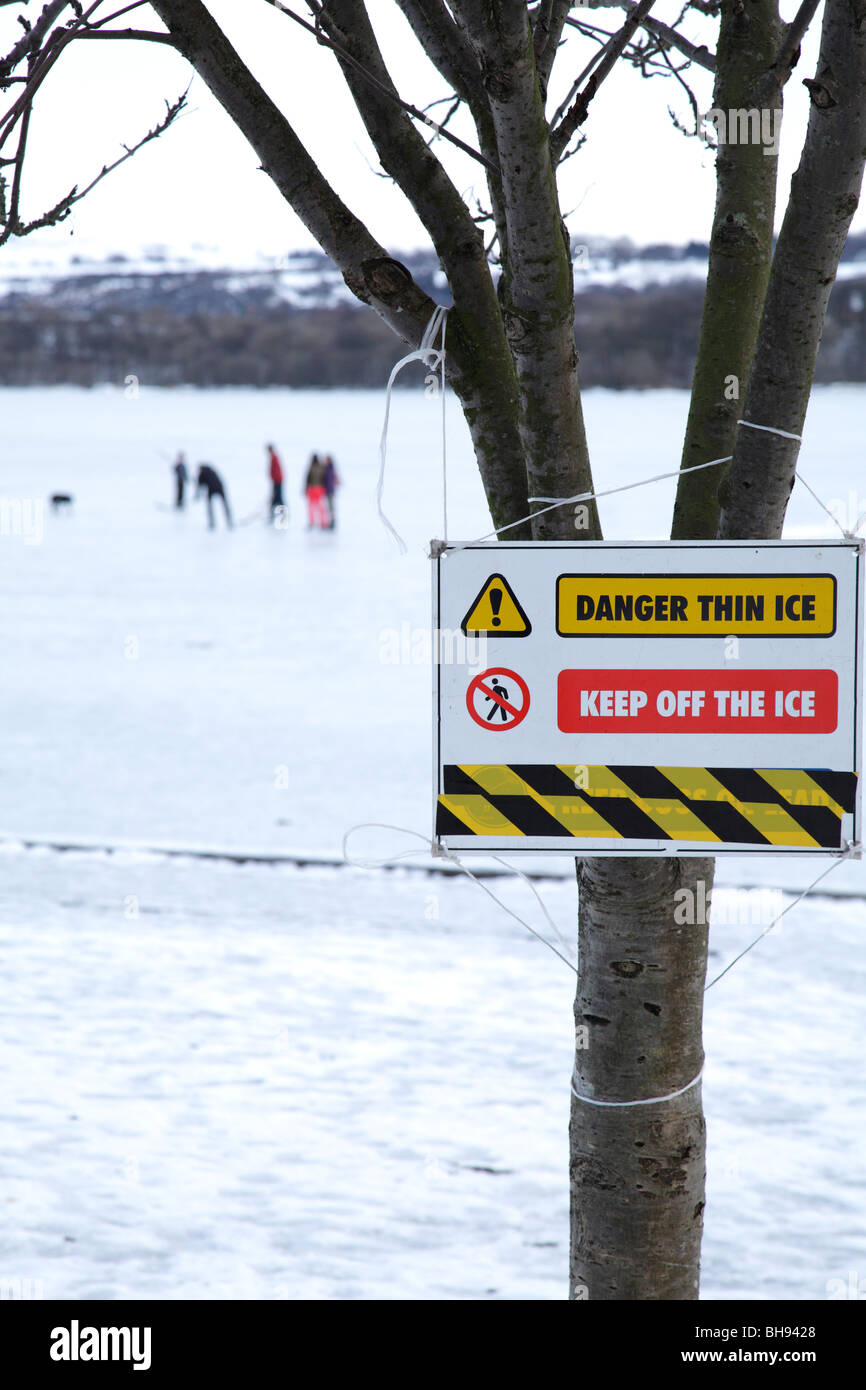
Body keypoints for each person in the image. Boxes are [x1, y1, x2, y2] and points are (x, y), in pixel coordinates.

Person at [195, 463, 233, 529]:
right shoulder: (212, 471)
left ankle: (212, 522)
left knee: (210, 506)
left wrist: (197, 495)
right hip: (220, 488)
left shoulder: (202, 474)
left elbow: (200, 485)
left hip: (212, 489)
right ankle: (229, 520)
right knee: (224, 505)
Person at [304, 453, 329, 529]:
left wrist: (306, 489)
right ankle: (323, 523)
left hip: (312, 489)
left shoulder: (311, 467)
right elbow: (325, 479)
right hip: (319, 489)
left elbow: (307, 480)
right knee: (320, 507)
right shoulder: (321, 467)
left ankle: (312, 522)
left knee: (311, 507)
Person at [266, 443, 285, 522]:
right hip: (276, 481)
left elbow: (276, 471)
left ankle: (281, 515)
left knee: (278, 499)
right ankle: (273, 516)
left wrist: (275, 480)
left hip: (277, 482)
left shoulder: (274, 458)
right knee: (276, 500)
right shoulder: (273, 457)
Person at [322, 454, 340, 530]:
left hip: (330, 491)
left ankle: (332, 523)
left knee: (331, 508)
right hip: (328, 491)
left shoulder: (330, 469)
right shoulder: (327, 468)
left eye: (326, 460)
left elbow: (332, 480)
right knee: (328, 508)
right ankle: (329, 522)